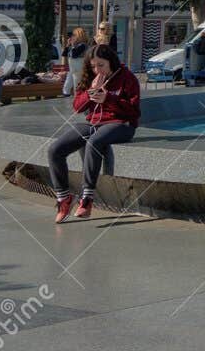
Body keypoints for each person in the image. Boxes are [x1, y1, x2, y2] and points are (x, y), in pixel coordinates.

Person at [47, 44, 140, 222]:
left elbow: (134, 111)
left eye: (101, 65)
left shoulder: (127, 78)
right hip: (95, 122)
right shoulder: (90, 77)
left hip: (122, 124)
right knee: (55, 150)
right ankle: (63, 198)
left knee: (93, 142)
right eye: (93, 66)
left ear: (111, 62)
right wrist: (90, 93)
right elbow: (77, 108)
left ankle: (87, 198)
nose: (97, 70)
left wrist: (109, 99)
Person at [62, 27, 89, 97]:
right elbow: (64, 54)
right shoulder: (74, 45)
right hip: (73, 68)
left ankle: (77, 97)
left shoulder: (83, 45)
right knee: (68, 83)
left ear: (79, 35)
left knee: (76, 82)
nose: (72, 36)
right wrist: (68, 45)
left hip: (78, 67)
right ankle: (66, 94)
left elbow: (74, 55)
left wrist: (73, 45)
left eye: (74, 35)